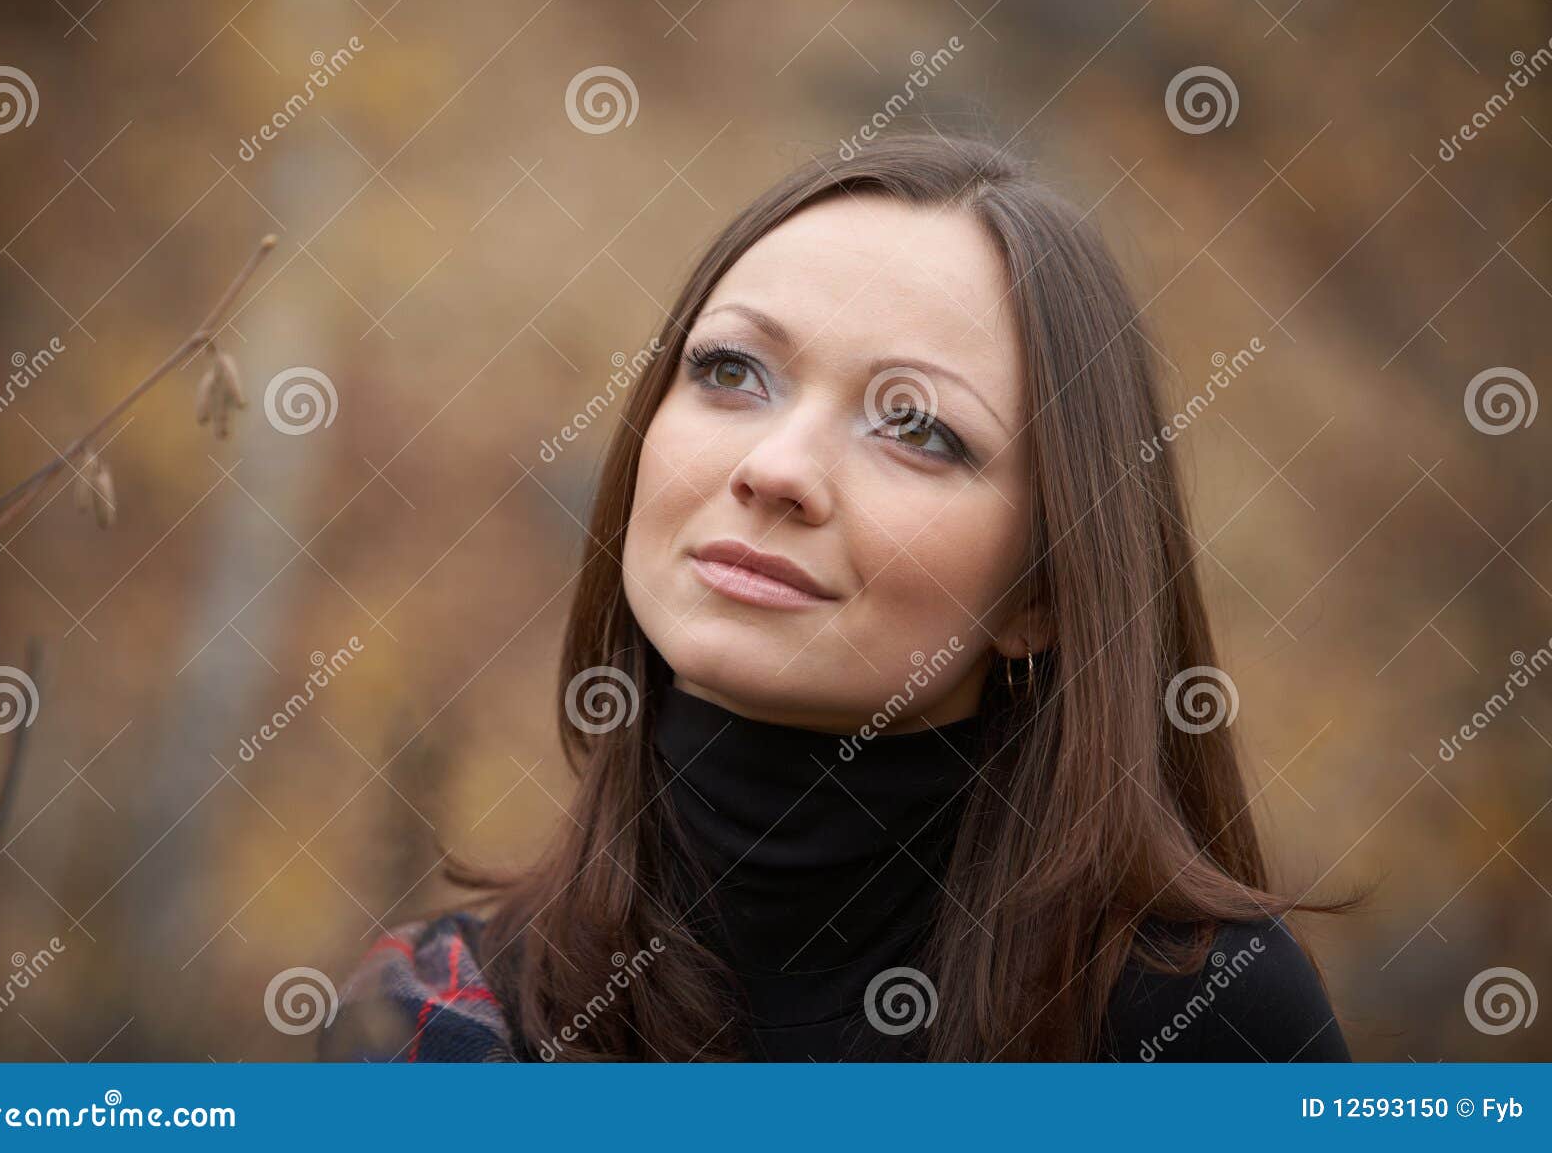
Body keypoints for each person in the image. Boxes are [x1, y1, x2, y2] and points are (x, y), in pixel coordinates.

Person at [320, 132, 1359, 1063]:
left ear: (1042, 592)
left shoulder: (1198, 1023)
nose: (777, 467)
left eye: (915, 428)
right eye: (732, 369)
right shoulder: (424, 1024)